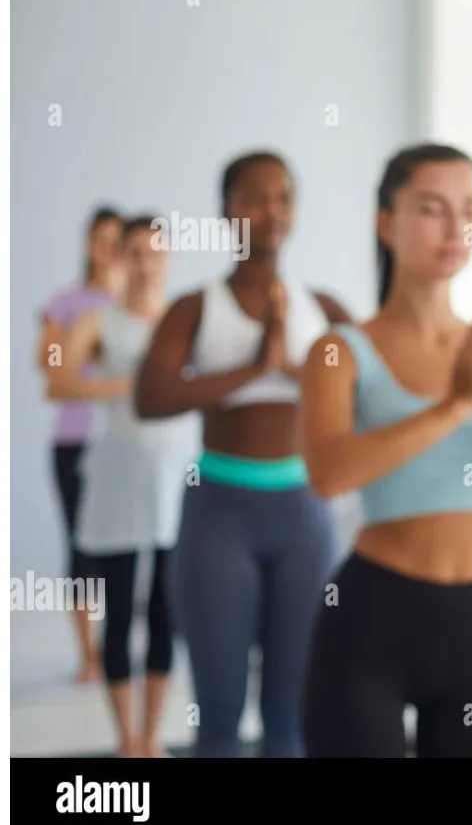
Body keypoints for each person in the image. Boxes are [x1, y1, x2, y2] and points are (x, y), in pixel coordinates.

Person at [299, 144, 472, 758]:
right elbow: (327, 474)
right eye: (432, 208)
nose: (456, 227)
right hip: (373, 615)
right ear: (386, 223)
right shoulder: (340, 351)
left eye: (469, 209)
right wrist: (453, 407)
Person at [134, 150, 352, 757]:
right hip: (218, 513)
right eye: (254, 197)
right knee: (220, 716)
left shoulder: (324, 310)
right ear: (226, 210)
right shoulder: (195, 307)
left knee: (292, 716)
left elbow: (367, 395)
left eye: (283, 198)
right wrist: (254, 365)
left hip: (304, 512)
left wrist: (284, 363)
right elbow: (151, 396)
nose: (271, 210)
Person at [48, 215, 197, 757]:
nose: (145, 264)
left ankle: (152, 736)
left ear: (168, 259)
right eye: (134, 253)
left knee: (163, 607)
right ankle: (125, 738)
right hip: (117, 476)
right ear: (119, 259)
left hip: (175, 476)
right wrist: (135, 384)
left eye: (155, 253)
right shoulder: (97, 321)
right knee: (117, 608)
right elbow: (60, 379)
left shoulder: (185, 321)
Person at [39, 205, 127, 683]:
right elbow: (51, 370)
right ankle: (88, 654)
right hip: (75, 442)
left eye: (117, 241)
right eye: (100, 240)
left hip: (126, 447)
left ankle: (116, 654)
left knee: (124, 553)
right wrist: (114, 379)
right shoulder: (67, 303)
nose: (108, 250)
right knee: (82, 550)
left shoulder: (138, 304)